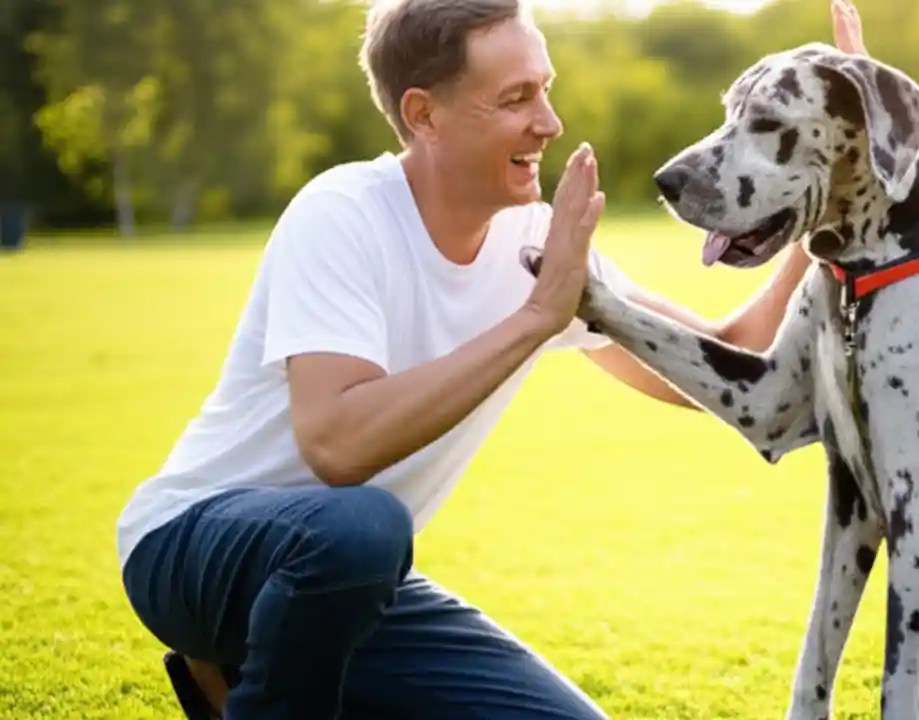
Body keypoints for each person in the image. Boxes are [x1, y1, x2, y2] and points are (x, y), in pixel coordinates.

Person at [116, 1, 868, 717]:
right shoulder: (341, 212)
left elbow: (731, 355)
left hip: (351, 583)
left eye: (545, 90)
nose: (548, 122)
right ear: (423, 115)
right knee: (362, 528)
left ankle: (265, 666)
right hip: (192, 549)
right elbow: (336, 445)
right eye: (515, 99)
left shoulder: (535, 241)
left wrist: (831, 179)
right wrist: (540, 317)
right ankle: (232, 673)